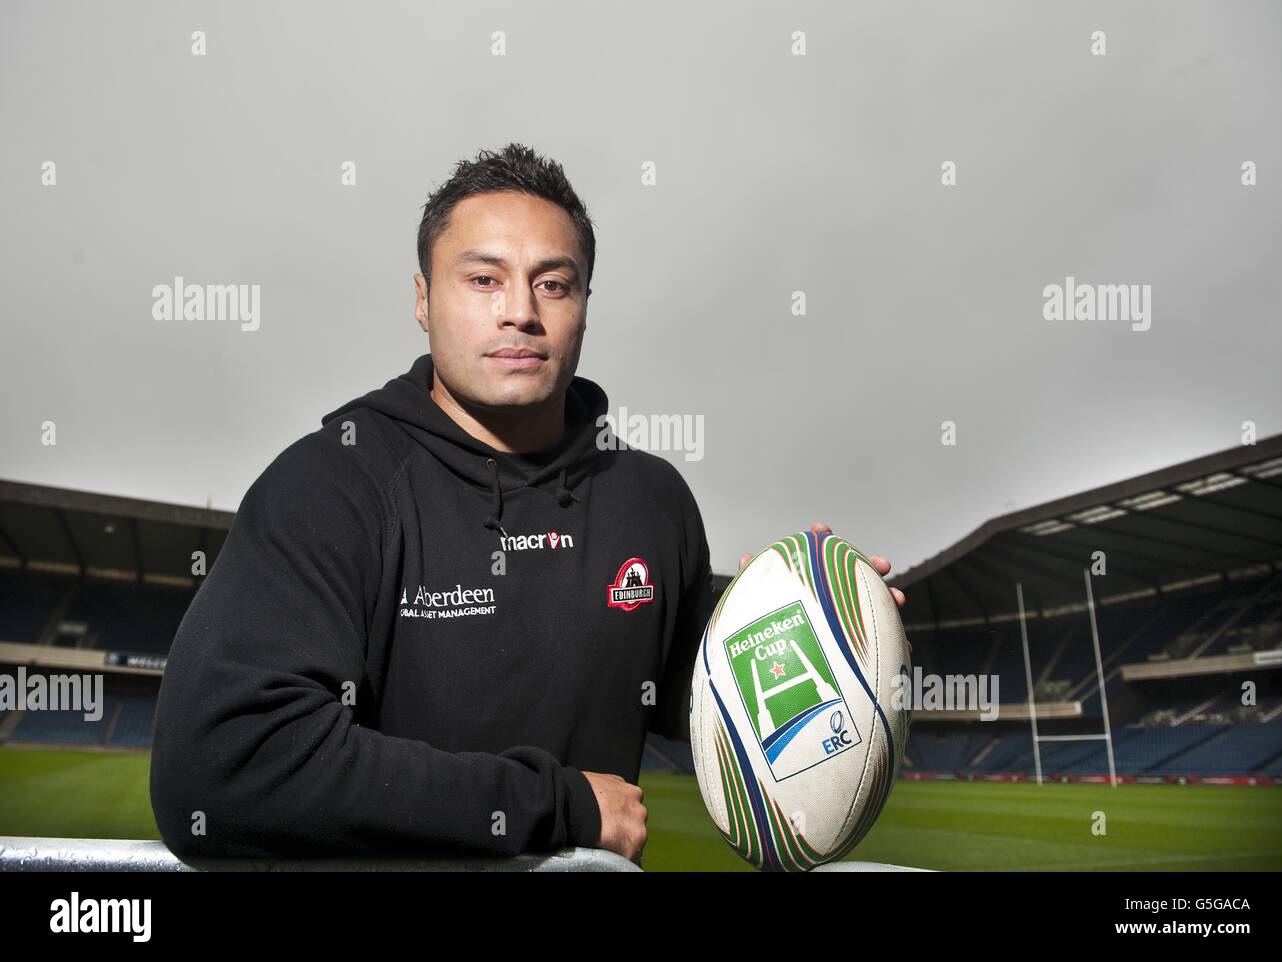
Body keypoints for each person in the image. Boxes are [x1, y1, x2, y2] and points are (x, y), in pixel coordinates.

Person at [149, 143, 905, 865]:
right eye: (483, 280)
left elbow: (711, 713)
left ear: (582, 304)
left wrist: (831, 632)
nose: (520, 312)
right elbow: (222, 766)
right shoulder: (332, 486)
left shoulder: (649, 499)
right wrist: (557, 804)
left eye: (553, 283)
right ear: (422, 298)